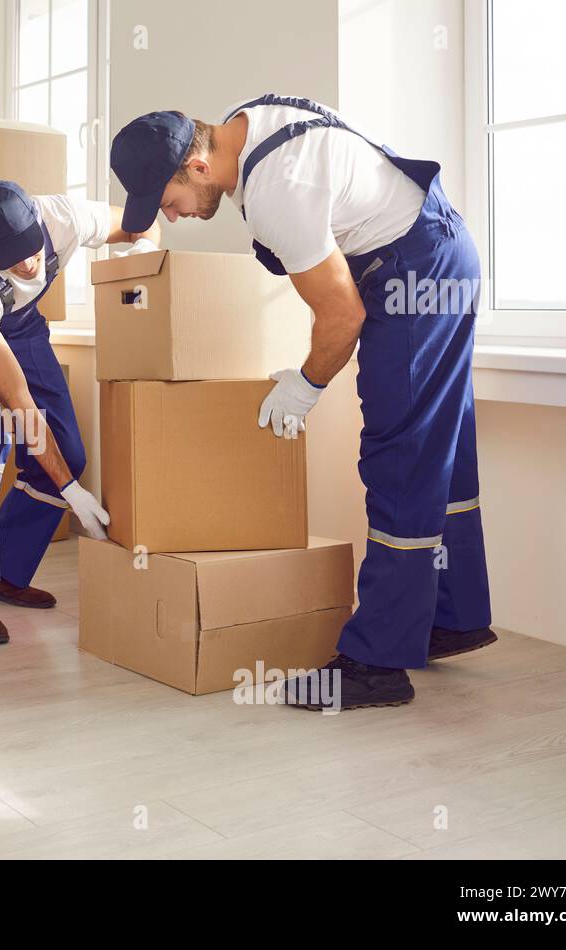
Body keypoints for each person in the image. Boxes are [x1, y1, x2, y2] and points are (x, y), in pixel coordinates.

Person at [109, 95, 494, 709]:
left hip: (415, 273)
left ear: (199, 167)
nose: (173, 217)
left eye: (168, 201)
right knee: (440, 446)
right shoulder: (254, 118)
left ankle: (378, 663)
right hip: (435, 253)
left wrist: (307, 385)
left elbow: (342, 315)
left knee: (401, 455)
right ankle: (453, 613)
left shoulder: (276, 192)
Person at [0, 180, 159, 645]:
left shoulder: (65, 216)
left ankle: (1, 569)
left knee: (69, 451)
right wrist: (72, 491)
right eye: (14, 258)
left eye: (32, 251)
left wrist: (142, 253)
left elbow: (142, 222)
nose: (30, 265)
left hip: (23, 325)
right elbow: (20, 405)